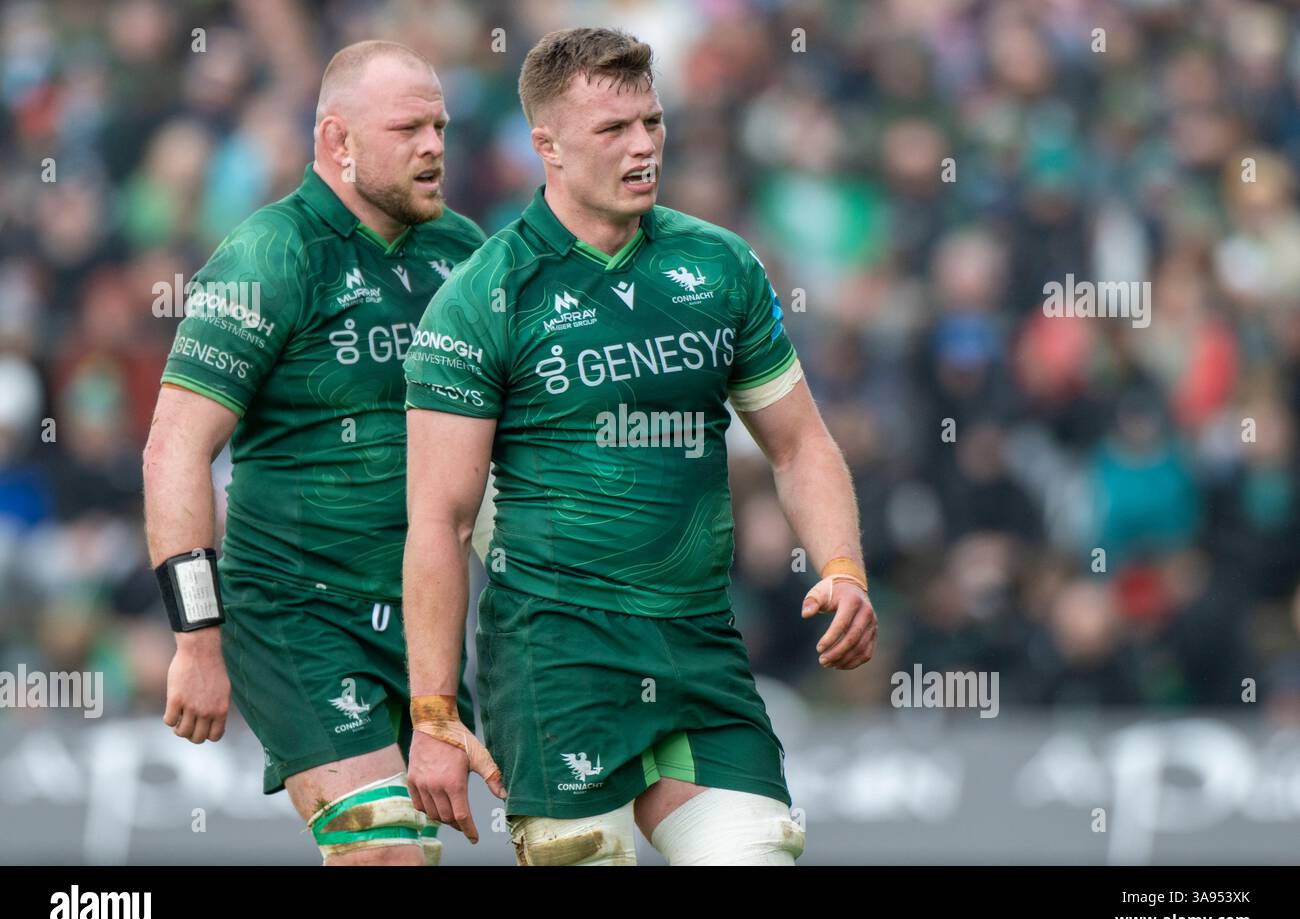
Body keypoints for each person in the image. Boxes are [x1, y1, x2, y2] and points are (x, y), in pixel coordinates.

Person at [400, 27, 877, 865]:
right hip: (558, 653)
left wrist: (841, 566)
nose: (644, 146)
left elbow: (800, 445)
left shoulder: (719, 266)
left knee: (761, 850)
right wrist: (434, 711)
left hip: (698, 645)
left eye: (652, 122)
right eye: (612, 131)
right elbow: (439, 522)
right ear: (545, 146)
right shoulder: (484, 298)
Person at [142, 40, 486, 865]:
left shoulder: (464, 255)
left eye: (439, 125)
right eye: (408, 128)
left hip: (424, 616)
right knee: (384, 849)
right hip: (296, 607)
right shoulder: (272, 255)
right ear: (338, 141)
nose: (435, 145)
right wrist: (196, 640)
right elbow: (173, 451)